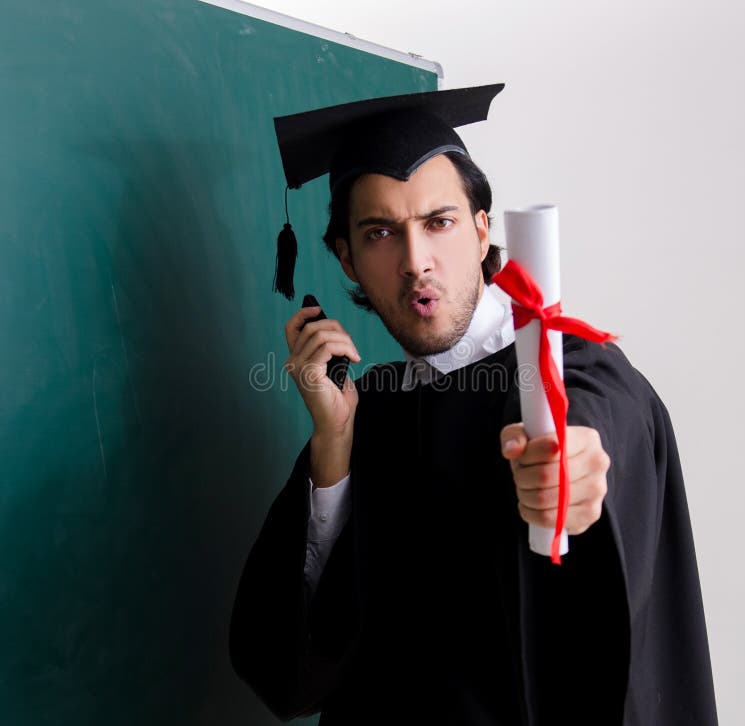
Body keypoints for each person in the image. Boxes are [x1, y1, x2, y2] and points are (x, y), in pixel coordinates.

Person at [229, 85, 718, 725]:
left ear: (483, 230)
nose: (416, 262)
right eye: (381, 233)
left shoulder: (571, 371)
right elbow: (291, 672)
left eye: (440, 222)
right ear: (347, 257)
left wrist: (573, 469)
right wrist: (333, 447)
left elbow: (600, 428)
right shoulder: (369, 410)